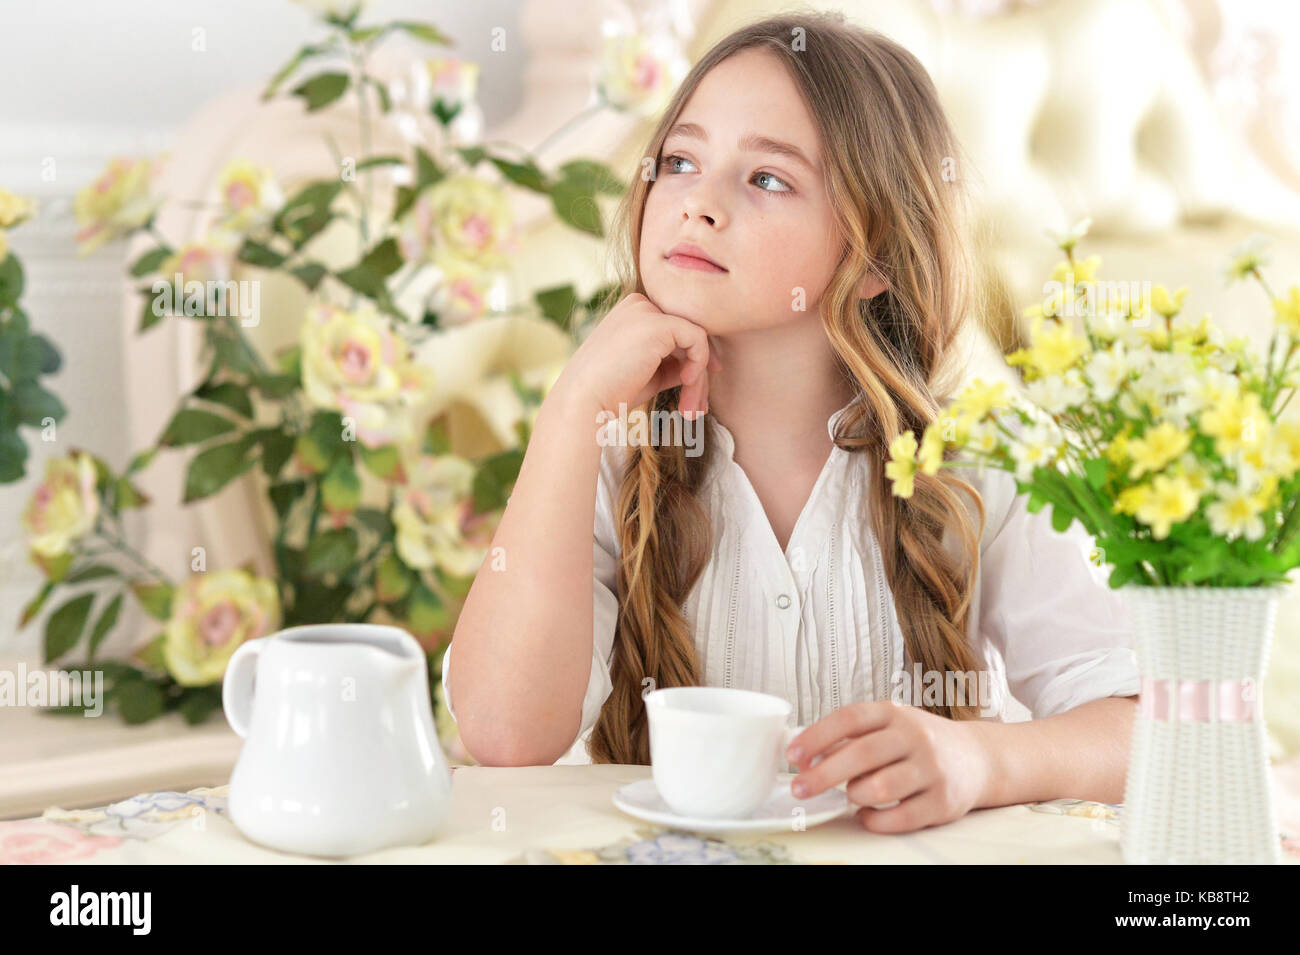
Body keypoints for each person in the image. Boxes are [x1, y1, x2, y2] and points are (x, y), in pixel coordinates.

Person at [443, 9, 1139, 833]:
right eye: (679, 161)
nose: (697, 204)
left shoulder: (984, 451)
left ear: (877, 255)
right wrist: (569, 411)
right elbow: (503, 734)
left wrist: (983, 759)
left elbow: (1143, 726)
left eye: (767, 179)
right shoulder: (608, 445)